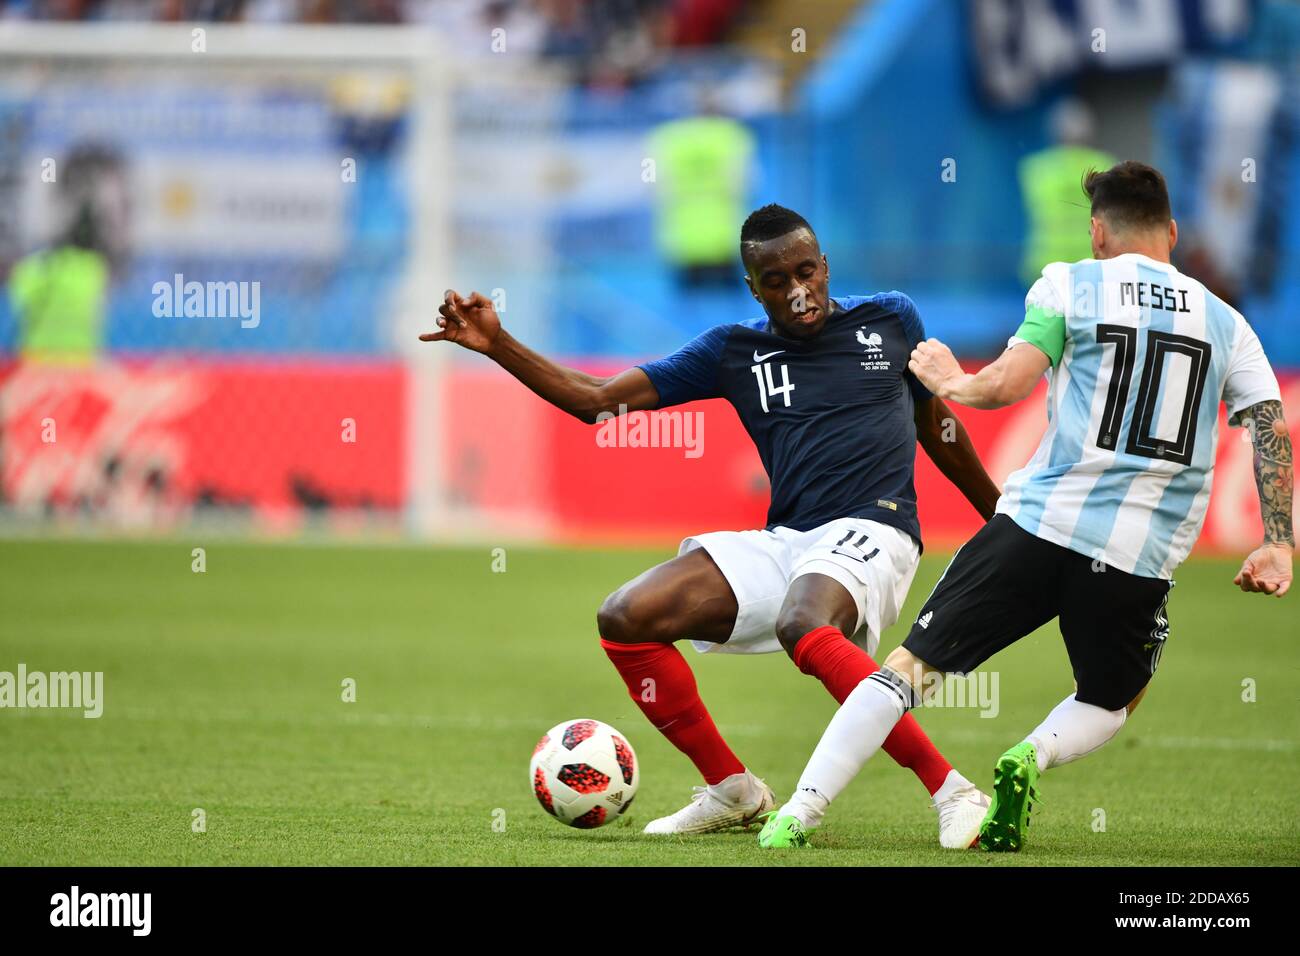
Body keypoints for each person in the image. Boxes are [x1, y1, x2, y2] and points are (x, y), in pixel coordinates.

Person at [423, 204, 1002, 846]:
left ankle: (954, 791)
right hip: (789, 540)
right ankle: (733, 790)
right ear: (754, 288)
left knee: (803, 621)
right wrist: (498, 344)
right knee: (626, 617)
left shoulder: (892, 318)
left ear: (826, 266)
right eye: (776, 281)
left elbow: (939, 430)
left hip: (879, 528)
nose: (798, 290)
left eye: (807, 270)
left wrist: (1001, 519)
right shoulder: (733, 351)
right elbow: (595, 402)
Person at [759, 162, 1292, 851]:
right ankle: (1029, 755)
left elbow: (1009, 383)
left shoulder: (1069, 283)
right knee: (1112, 699)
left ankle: (797, 813)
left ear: (1097, 231)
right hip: (1137, 553)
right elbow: (1270, 426)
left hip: (1037, 525)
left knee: (907, 673)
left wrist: (955, 381)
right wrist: (1278, 540)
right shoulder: (1229, 324)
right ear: (1173, 232)